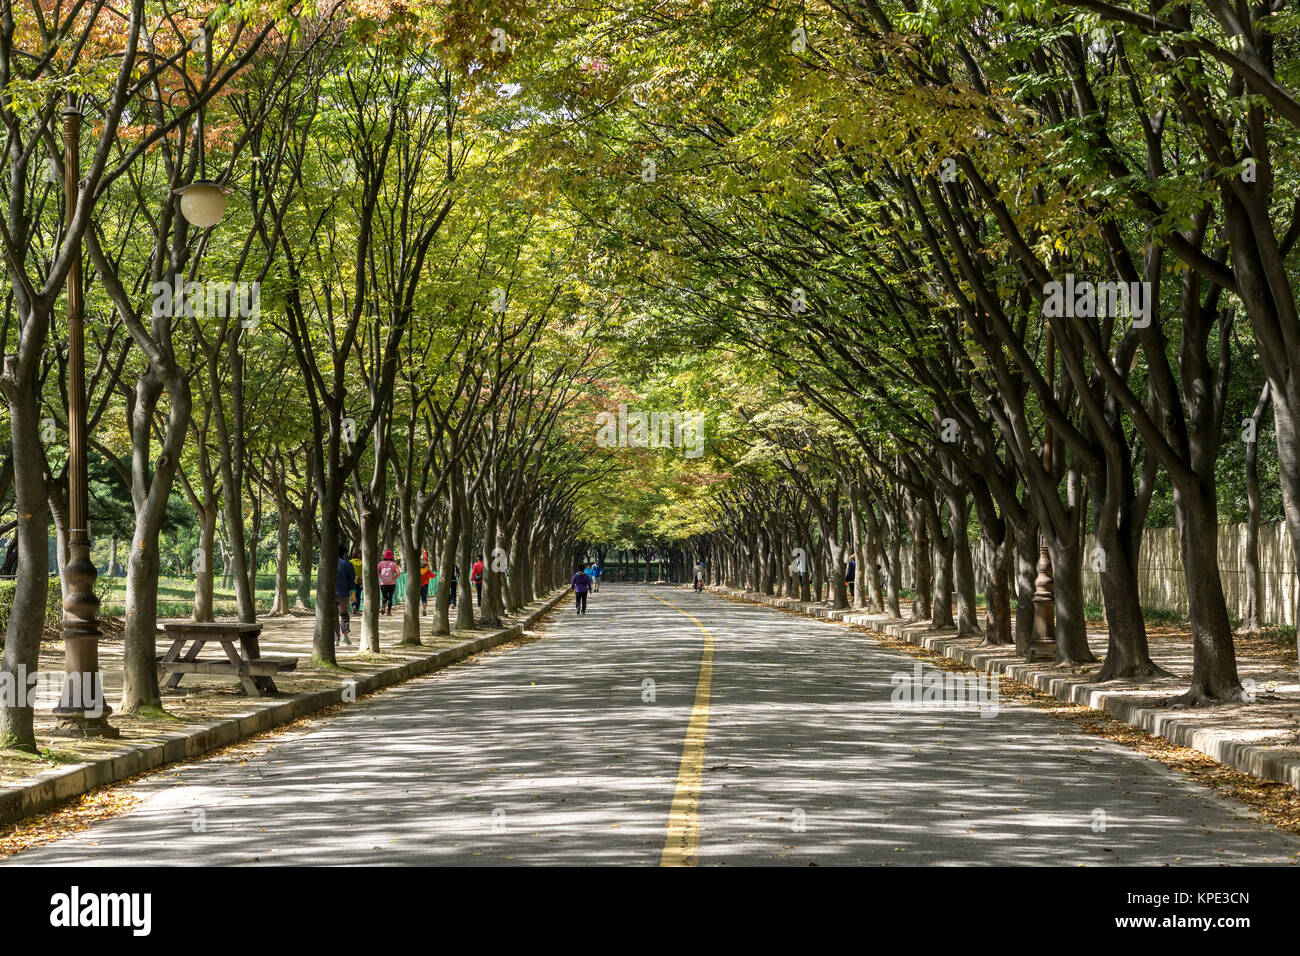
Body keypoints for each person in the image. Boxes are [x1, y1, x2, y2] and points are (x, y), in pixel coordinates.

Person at [335, 546, 356, 646]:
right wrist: (353, 595)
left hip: (330, 595)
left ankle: (335, 640)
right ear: (344, 554)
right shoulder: (348, 564)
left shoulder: (328, 564)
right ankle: (345, 636)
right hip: (344, 594)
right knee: (344, 615)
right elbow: (352, 581)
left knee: (333, 616)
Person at [378, 549, 401, 615]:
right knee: (390, 597)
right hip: (392, 584)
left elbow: (376, 570)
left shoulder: (381, 563)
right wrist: (394, 578)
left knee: (384, 597)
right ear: (391, 557)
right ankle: (388, 612)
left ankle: (383, 606)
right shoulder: (394, 564)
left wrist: (380, 577)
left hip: (383, 583)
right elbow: (399, 573)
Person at [419, 551, 434, 616]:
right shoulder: (427, 568)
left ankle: (416, 610)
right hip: (425, 584)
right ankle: (424, 609)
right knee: (424, 598)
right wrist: (424, 552)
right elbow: (426, 559)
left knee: (417, 598)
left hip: (418, 585)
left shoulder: (417, 569)